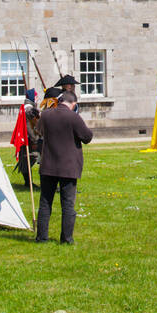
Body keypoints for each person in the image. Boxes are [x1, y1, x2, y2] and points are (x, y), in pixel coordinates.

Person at [35, 92, 93, 244]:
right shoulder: (73, 117)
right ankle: (66, 238)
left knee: (45, 202)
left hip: (48, 164)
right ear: (73, 103)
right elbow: (87, 137)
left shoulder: (46, 115)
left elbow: (38, 131)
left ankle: (42, 237)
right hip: (68, 166)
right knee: (67, 204)